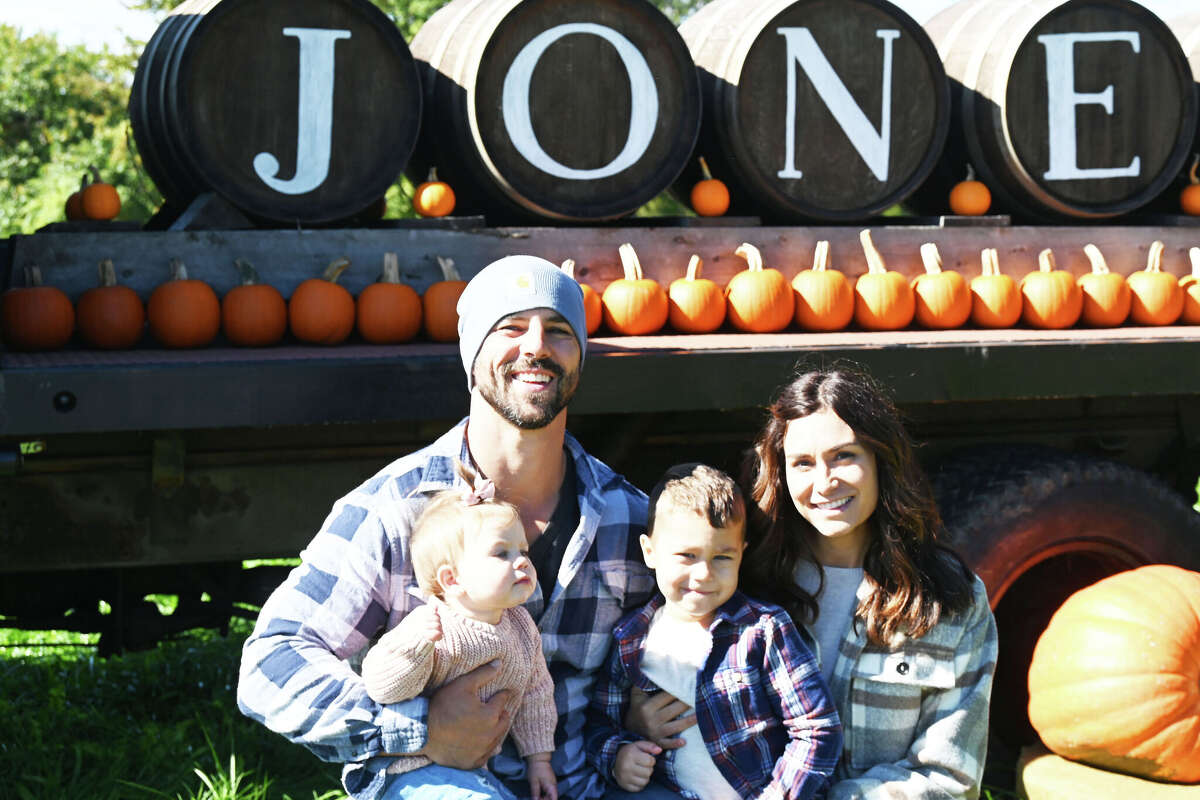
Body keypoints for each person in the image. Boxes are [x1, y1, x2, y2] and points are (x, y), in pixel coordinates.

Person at [237, 255, 658, 800]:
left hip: (589, 780)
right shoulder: (396, 507)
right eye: (510, 326)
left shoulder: (626, 516)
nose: (535, 345)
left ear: (579, 356)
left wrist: (658, 704)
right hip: (440, 781)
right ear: (472, 352)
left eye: (558, 330)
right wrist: (419, 728)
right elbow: (273, 658)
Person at [739, 363, 999, 800]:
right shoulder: (749, 585)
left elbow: (949, 776)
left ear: (882, 459)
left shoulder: (951, 599)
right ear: (782, 475)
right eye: (803, 463)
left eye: (844, 456)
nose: (824, 482)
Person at [587, 462, 843, 800]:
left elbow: (817, 729)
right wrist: (618, 755)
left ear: (741, 554)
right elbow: (598, 723)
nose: (704, 574)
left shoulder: (762, 630)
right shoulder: (631, 639)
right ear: (650, 552)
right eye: (687, 556)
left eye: (722, 557)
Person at [358, 464, 557, 800]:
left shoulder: (521, 627)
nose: (521, 561)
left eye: (522, 551)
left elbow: (536, 693)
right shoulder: (432, 625)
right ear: (452, 579)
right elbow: (381, 686)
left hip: (472, 769)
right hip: (409, 771)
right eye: (501, 553)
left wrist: (539, 759)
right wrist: (414, 646)